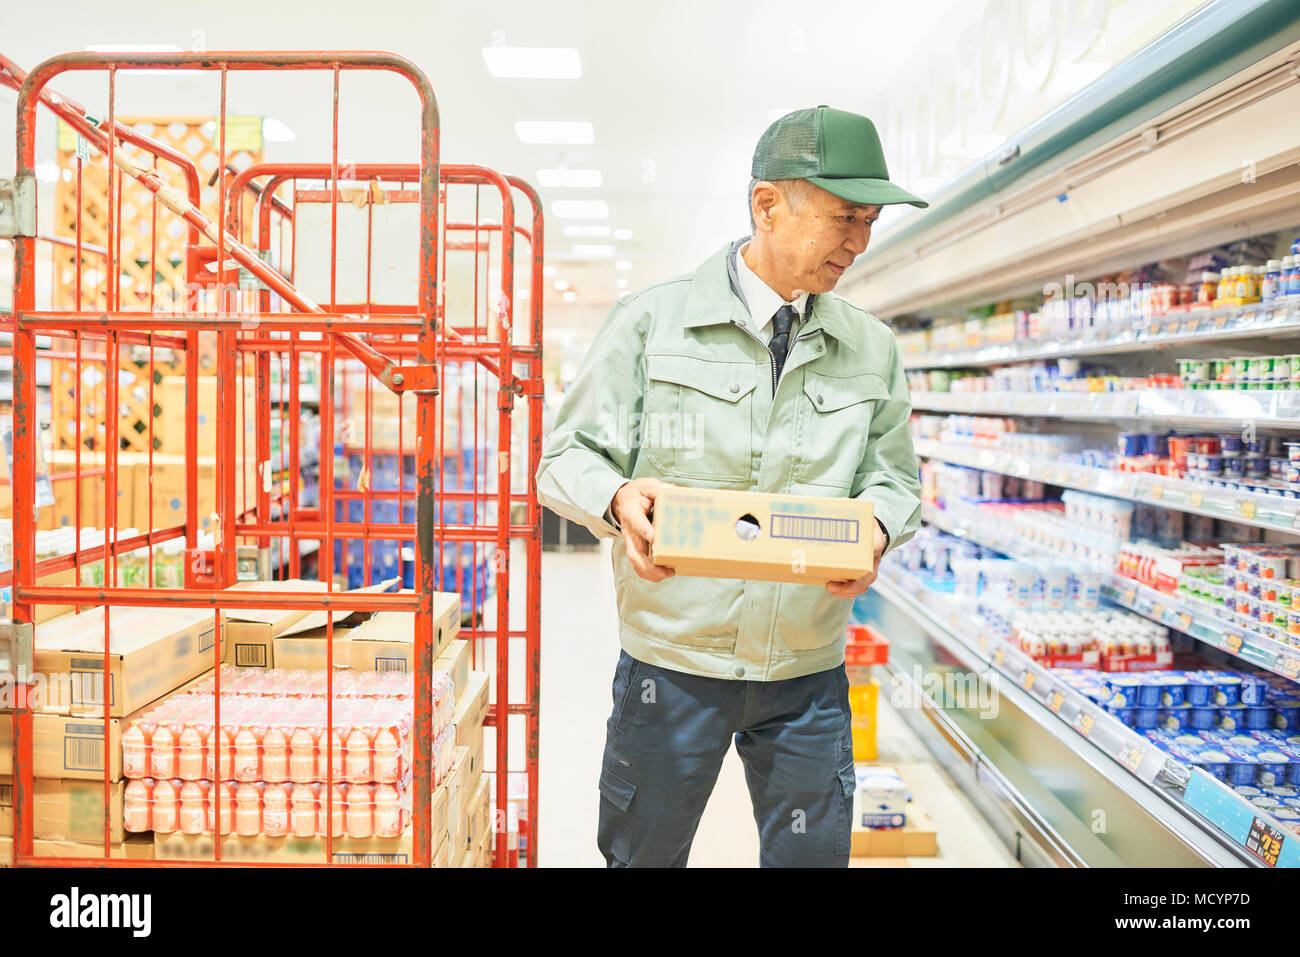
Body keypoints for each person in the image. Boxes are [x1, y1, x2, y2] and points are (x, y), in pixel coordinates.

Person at [537, 106, 925, 867]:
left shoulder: (870, 347)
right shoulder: (652, 323)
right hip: (671, 663)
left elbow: (893, 475)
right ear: (766, 204)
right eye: (844, 215)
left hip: (804, 670)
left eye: (870, 219)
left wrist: (877, 525)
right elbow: (566, 458)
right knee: (642, 855)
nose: (859, 240)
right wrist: (617, 500)